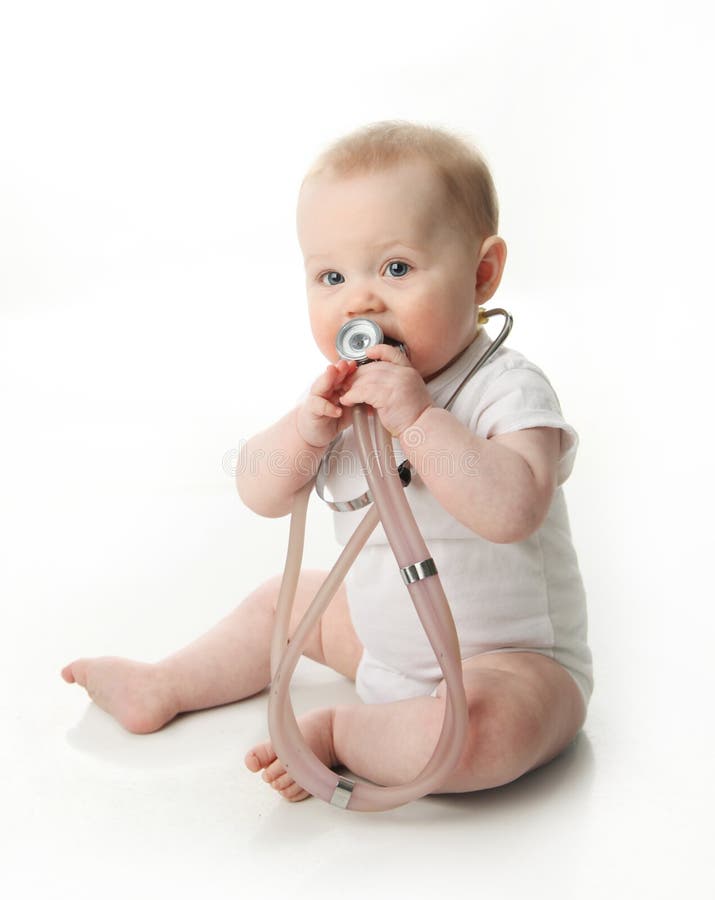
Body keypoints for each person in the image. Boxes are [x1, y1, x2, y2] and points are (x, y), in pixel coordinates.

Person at [62, 121, 592, 802]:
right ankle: (162, 684)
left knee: (485, 735)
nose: (360, 300)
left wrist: (420, 420)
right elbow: (260, 494)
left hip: (507, 662)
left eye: (396, 268)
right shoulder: (345, 396)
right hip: (383, 648)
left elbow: (513, 508)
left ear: (482, 272)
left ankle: (343, 734)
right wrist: (304, 433)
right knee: (278, 603)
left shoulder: (504, 387)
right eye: (331, 276)